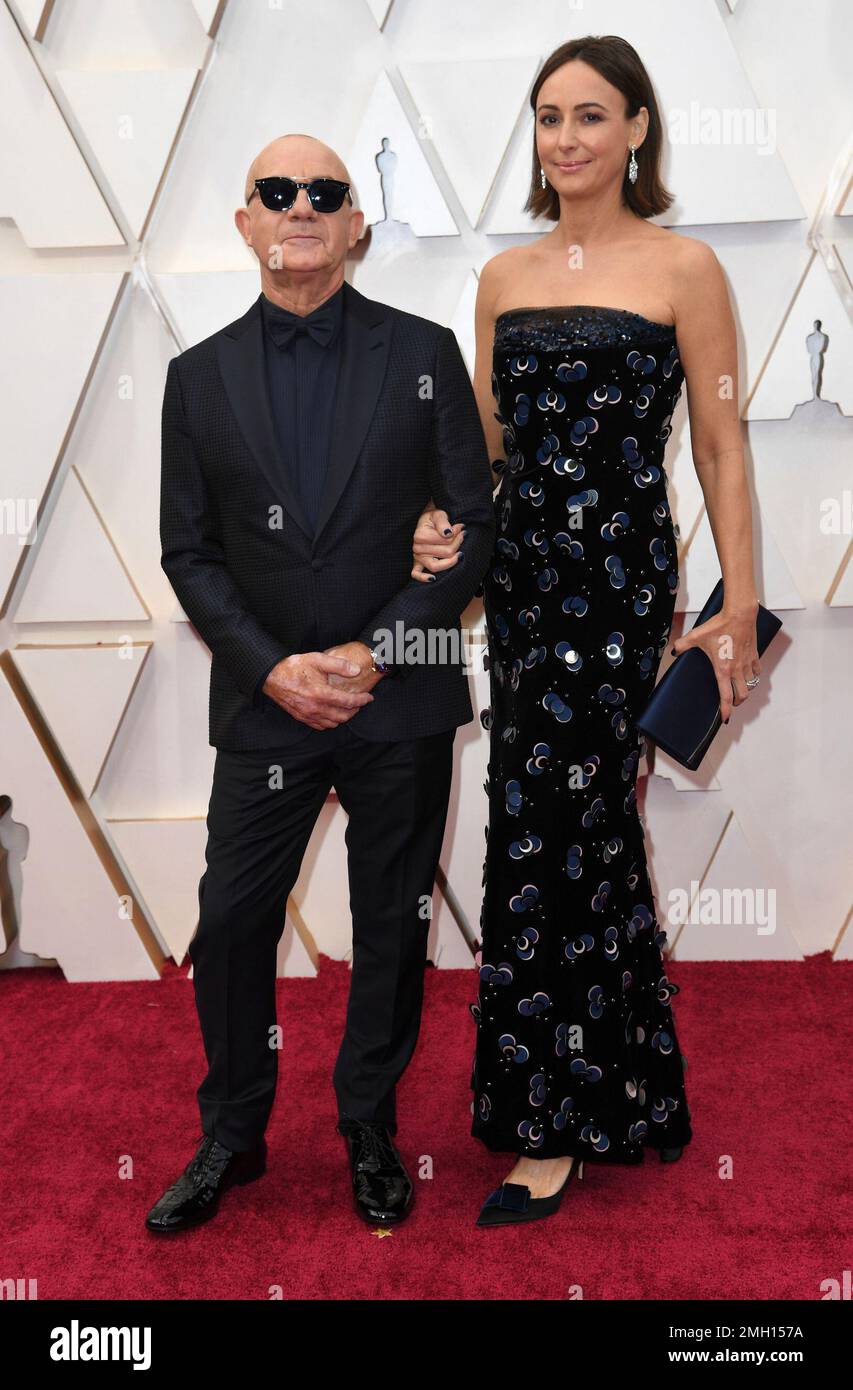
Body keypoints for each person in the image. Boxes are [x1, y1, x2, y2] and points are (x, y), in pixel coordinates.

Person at [411, 35, 761, 1226]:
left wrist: (733, 621)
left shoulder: (684, 267)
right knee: (542, 825)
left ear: (637, 131)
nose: (565, 138)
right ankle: (609, 1092)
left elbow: (718, 447)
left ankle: (559, 1122)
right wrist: (438, 545)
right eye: (549, 116)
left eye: (590, 116)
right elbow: (491, 455)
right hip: (525, 584)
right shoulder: (502, 279)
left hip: (617, 585)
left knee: (582, 818)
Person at [146, 133, 496, 1233]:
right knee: (234, 915)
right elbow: (189, 552)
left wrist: (378, 648)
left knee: (390, 922)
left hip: (401, 691)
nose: (303, 205)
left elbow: (475, 529)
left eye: (327, 193)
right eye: (277, 191)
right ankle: (233, 1132)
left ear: (355, 225)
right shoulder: (194, 379)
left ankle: (368, 1125)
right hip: (266, 699)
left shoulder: (427, 351)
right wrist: (272, 668)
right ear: (245, 221)